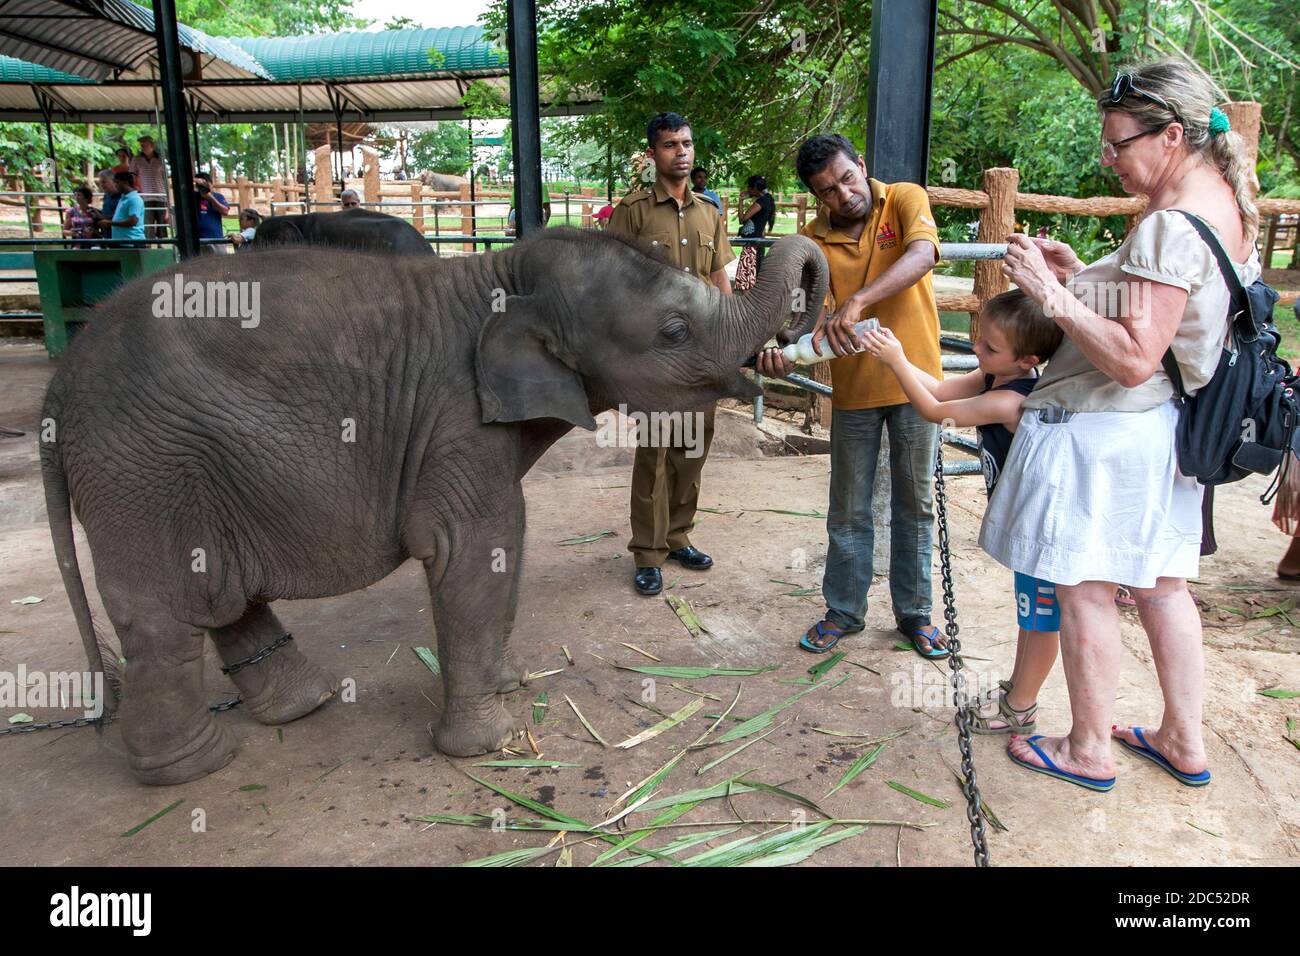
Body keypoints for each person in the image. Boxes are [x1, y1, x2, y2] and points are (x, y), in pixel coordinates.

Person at [988, 59, 1262, 791]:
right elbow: (1166, 320)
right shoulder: (1221, 204)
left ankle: (1086, 747)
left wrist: (1050, 293)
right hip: (1163, 438)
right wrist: (1082, 275)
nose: (1108, 159)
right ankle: (1182, 736)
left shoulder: (1171, 225)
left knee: (1086, 589)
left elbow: (1138, 356)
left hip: (1113, 433)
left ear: (1171, 134)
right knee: (1164, 587)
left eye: (1118, 144)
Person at [756, 134, 945, 657]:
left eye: (847, 178)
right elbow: (803, 318)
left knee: (916, 505)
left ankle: (915, 614)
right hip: (856, 392)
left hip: (916, 383)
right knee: (848, 509)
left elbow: (924, 254)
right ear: (817, 197)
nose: (844, 195)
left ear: (862, 165)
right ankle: (844, 610)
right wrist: (783, 349)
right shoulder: (811, 240)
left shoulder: (904, 199)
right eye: (829, 191)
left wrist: (857, 300)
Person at [860, 290, 1064, 733]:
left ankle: (1022, 705)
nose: (977, 351)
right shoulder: (994, 378)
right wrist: (892, 353)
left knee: (1043, 616)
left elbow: (933, 409)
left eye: (990, 348)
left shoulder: (1012, 400)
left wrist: (896, 361)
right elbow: (939, 387)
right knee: (1029, 610)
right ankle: (1018, 690)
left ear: (1027, 360)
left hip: (1043, 524)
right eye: (978, 340)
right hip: (1024, 519)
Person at [608, 112, 734, 596]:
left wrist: (729, 335)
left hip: (702, 352)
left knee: (693, 448)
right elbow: (613, 284)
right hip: (657, 355)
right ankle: (647, 552)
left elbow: (720, 279)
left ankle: (679, 536)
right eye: (669, 145)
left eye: (686, 143)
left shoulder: (710, 212)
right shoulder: (634, 211)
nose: (681, 151)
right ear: (652, 154)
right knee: (656, 452)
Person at [129, 136, 168, 240]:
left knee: (161, 223)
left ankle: (161, 245)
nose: (142, 146)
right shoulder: (136, 159)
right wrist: (135, 189)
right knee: (148, 223)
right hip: (145, 196)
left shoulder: (160, 159)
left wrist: (168, 197)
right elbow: (131, 176)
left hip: (160, 195)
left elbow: (165, 178)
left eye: (144, 144)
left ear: (152, 145)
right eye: (141, 144)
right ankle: (149, 244)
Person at [736, 174, 776, 275]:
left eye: (749, 187)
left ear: (755, 188)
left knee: (746, 278)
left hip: (752, 243)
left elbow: (742, 219)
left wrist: (740, 201)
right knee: (751, 276)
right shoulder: (767, 199)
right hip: (754, 243)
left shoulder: (762, 201)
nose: (747, 190)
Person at [193, 171, 231, 250]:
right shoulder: (193, 197)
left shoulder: (218, 196)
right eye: (202, 185)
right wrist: (196, 180)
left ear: (211, 184)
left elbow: (225, 212)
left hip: (216, 239)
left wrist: (211, 199)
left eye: (207, 184)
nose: (205, 187)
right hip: (198, 241)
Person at [108, 170, 146, 246]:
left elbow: (133, 221)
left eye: (117, 182)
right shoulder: (123, 198)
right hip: (122, 243)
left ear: (125, 183)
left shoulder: (134, 199)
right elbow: (121, 217)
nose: (115, 185)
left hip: (132, 243)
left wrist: (109, 223)